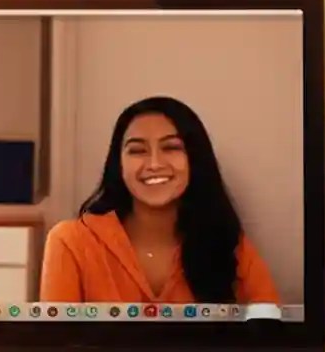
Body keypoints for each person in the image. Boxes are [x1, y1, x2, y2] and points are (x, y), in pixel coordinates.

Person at [39, 96, 280, 304]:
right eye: (137, 150)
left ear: (195, 159)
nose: (154, 164)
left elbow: (273, 336)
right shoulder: (71, 242)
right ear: (118, 164)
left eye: (171, 147)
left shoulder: (229, 245)